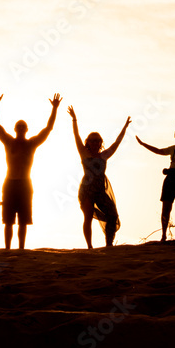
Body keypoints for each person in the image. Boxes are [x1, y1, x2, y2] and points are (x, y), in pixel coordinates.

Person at [0, 89, 61, 250]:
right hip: (10, 183)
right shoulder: (9, 142)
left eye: (23, 126)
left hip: (25, 183)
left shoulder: (31, 144)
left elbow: (48, 128)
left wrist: (54, 108)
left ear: (27, 129)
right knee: (8, 220)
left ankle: (21, 248)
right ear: (15, 129)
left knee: (23, 220)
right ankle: (8, 248)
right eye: (19, 126)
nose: (21, 128)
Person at [136, 104, 175, 242]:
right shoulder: (173, 148)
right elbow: (159, 151)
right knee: (166, 208)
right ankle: (164, 235)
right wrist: (143, 144)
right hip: (171, 179)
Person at [70, 105, 130, 248]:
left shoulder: (104, 156)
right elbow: (76, 136)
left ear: (101, 142)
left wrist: (125, 127)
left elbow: (117, 142)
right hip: (87, 189)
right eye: (92, 140)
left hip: (100, 190)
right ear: (88, 142)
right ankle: (89, 246)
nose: (95, 142)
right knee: (88, 217)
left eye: (98, 140)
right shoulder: (84, 153)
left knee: (112, 215)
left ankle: (109, 243)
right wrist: (74, 120)